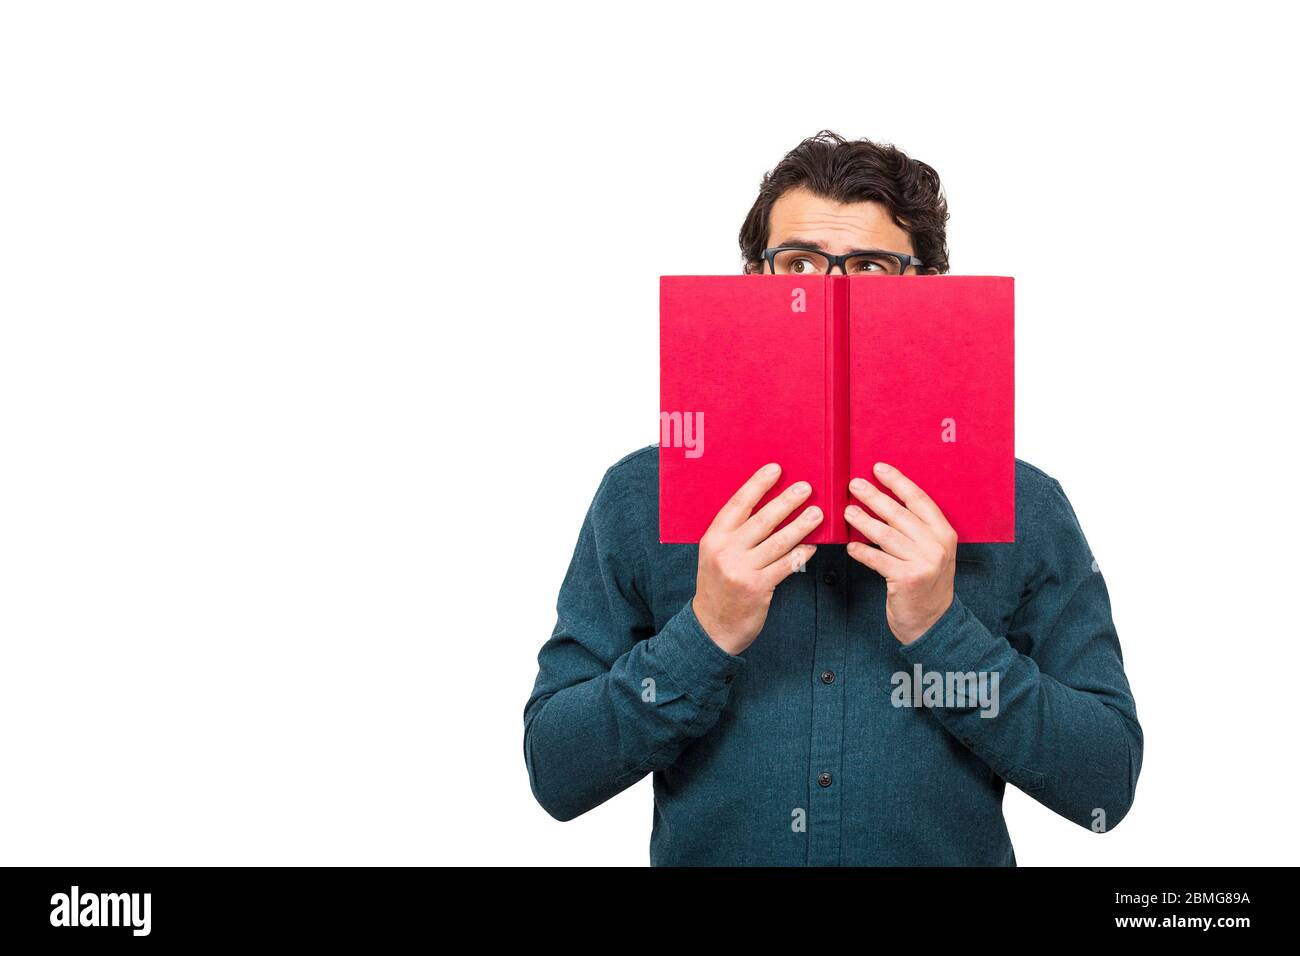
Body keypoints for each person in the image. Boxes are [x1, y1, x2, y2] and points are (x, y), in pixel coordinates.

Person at [523, 130, 1143, 865]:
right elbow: (557, 774)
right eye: (799, 264)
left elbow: (1106, 780)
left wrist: (942, 632)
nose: (828, 293)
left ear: (930, 285)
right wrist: (706, 633)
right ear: (753, 278)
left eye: (872, 267)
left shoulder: (1026, 506)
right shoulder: (640, 495)